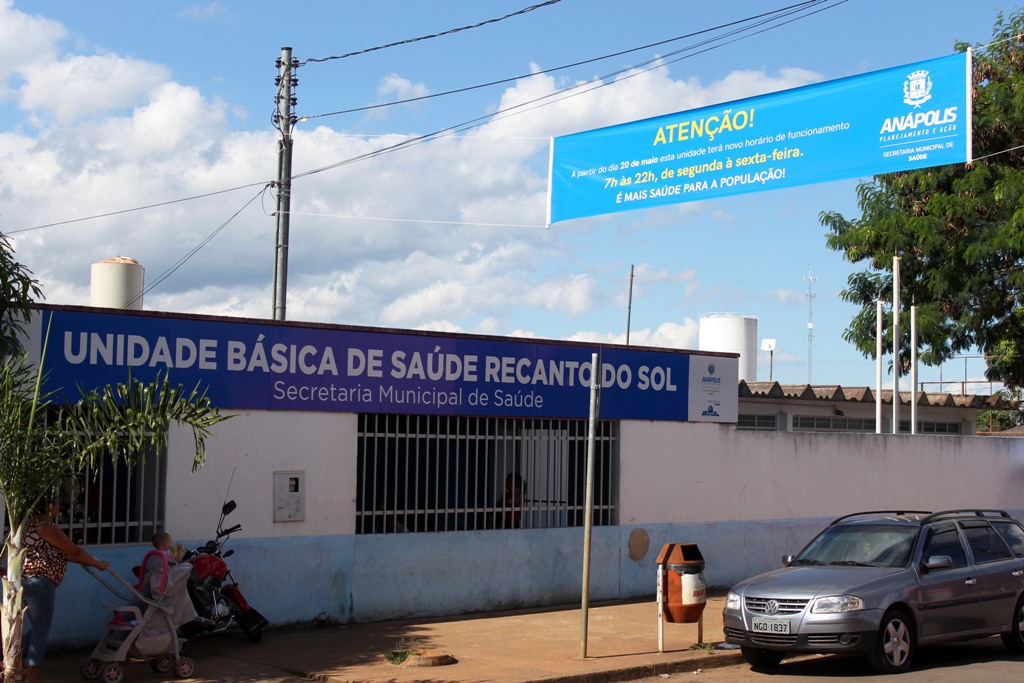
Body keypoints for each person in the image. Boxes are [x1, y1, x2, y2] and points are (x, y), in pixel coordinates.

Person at [22, 500, 109, 683]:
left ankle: (15, 660)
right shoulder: (47, 528)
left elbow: (62, 554)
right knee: (41, 629)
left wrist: (91, 561)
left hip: (24, 582)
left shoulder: (25, 527)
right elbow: (74, 551)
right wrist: (98, 564)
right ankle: (31, 674)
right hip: (40, 583)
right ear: (48, 506)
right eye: (56, 504)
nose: (58, 508)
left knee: (38, 627)